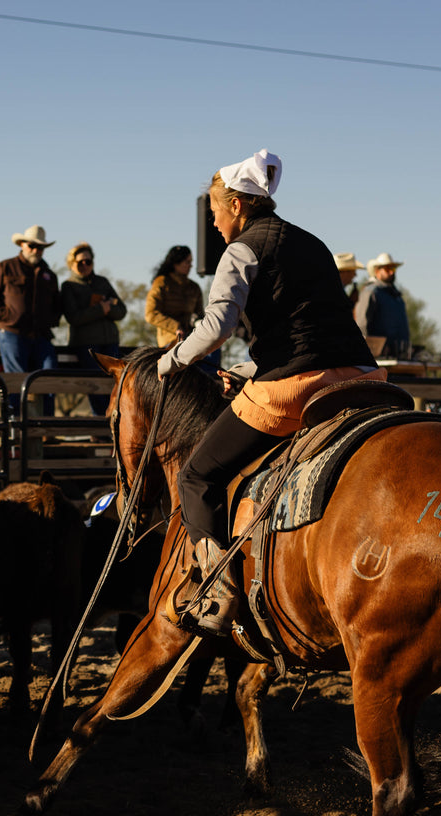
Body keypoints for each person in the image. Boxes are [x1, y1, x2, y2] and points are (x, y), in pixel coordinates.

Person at [156, 149, 385, 638]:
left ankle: (215, 591)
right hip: (363, 378)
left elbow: (216, 326)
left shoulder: (240, 251)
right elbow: (307, 326)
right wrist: (249, 367)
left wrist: (171, 360)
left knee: (197, 474)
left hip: (298, 387)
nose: (214, 222)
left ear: (237, 205)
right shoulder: (314, 244)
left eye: (215, 210)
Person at [0, 224, 62, 417]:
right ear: (22, 244)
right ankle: (18, 429)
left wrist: (50, 320)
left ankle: (45, 427)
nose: (35, 250)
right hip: (12, 334)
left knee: (49, 375)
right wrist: (8, 316)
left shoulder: (49, 275)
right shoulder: (4, 267)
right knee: (17, 380)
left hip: (41, 336)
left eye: (40, 247)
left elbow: (57, 305)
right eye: (31, 245)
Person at [60, 242, 127, 416]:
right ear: (71, 263)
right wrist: (100, 309)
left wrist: (108, 309)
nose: (84, 265)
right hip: (86, 344)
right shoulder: (68, 286)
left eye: (88, 262)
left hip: (110, 342)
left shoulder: (102, 282)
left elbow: (122, 310)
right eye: (80, 262)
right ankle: (99, 426)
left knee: (114, 384)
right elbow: (73, 317)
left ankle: (112, 424)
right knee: (95, 385)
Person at [144, 245, 205, 349]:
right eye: (187, 262)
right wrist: (176, 327)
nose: (191, 266)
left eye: (191, 262)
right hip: (170, 340)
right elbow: (151, 314)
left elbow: (200, 313)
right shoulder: (161, 283)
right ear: (176, 263)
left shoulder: (194, 287)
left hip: (192, 339)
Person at [356, 252, 410, 359]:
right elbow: (362, 325)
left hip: (399, 355)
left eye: (393, 269)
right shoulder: (371, 292)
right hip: (379, 357)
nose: (391, 272)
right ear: (377, 271)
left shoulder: (397, 296)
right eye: (387, 269)